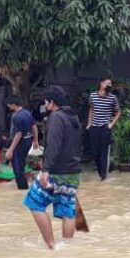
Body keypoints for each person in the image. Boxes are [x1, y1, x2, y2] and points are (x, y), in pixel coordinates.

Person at [24, 86, 82, 249]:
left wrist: (46, 170)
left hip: (57, 171)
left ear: (52, 102)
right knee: (67, 209)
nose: (45, 105)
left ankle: (51, 245)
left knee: (34, 202)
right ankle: (67, 247)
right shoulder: (74, 117)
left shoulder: (56, 117)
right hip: (73, 171)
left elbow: (54, 146)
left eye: (46, 101)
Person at [87, 75, 120, 181]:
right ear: (101, 84)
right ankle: (101, 173)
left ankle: (103, 176)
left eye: (110, 84)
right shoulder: (93, 96)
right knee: (95, 153)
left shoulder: (112, 98)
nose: (109, 85)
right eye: (107, 83)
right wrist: (89, 123)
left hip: (105, 127)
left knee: (104, 153)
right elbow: (91, 109)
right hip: (94, 127)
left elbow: (118, 112)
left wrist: (111, 124)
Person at [5, 96, 39, 190]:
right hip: (28, 142)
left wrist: (10, 150)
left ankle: (22, 189)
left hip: (19, 144)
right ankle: (24, 187)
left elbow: (18, 134)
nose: (8, 107)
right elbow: (34, 127)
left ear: (12, 104)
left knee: (18, 169)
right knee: (21, 164)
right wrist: (35, 141)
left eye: (8, 105)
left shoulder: (17, 116)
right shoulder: (27, 113)